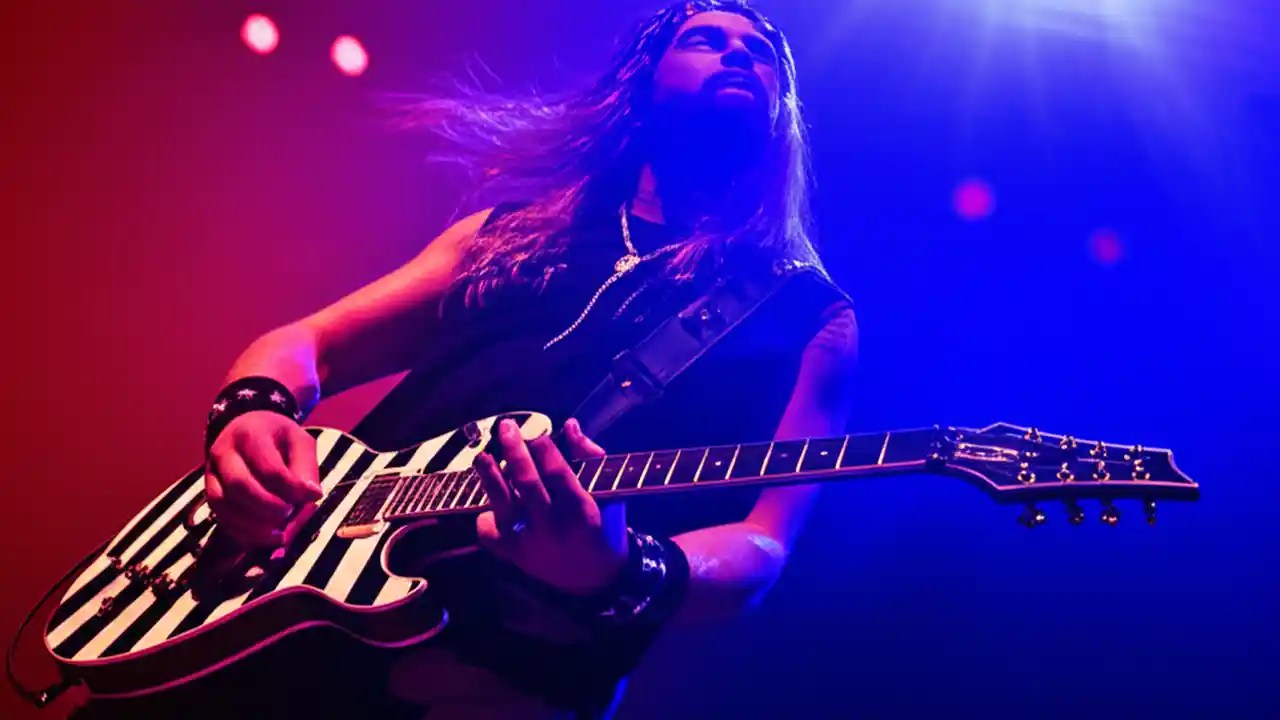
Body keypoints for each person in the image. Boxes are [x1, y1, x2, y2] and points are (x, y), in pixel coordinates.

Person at [72, 2, 857, 718]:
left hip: (493, 683)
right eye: (706, 40)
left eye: (762, 54)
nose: (739, 57)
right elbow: (304, 345)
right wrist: (250, 413)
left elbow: (762, 542)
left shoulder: (808, 315)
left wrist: (619, 568)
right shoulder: (509, 232)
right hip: (275, 607)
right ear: (641, 84)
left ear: (782, 112)